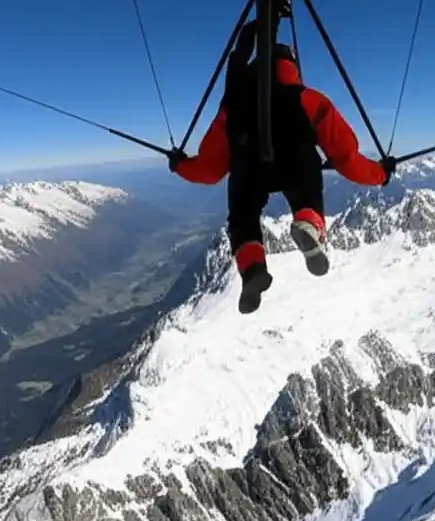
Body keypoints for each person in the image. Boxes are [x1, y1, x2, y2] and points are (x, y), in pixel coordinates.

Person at [168, 22, 396, 314]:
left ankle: (252, 266)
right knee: (306, 190)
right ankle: (308, 222)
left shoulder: (233, 107)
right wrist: (381, 174)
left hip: (248, 170)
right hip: (296, 162)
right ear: (291, 67)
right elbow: (346, 158)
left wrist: (180, 166)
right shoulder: (309, 99)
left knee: (243, 215)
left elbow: (210, 169)